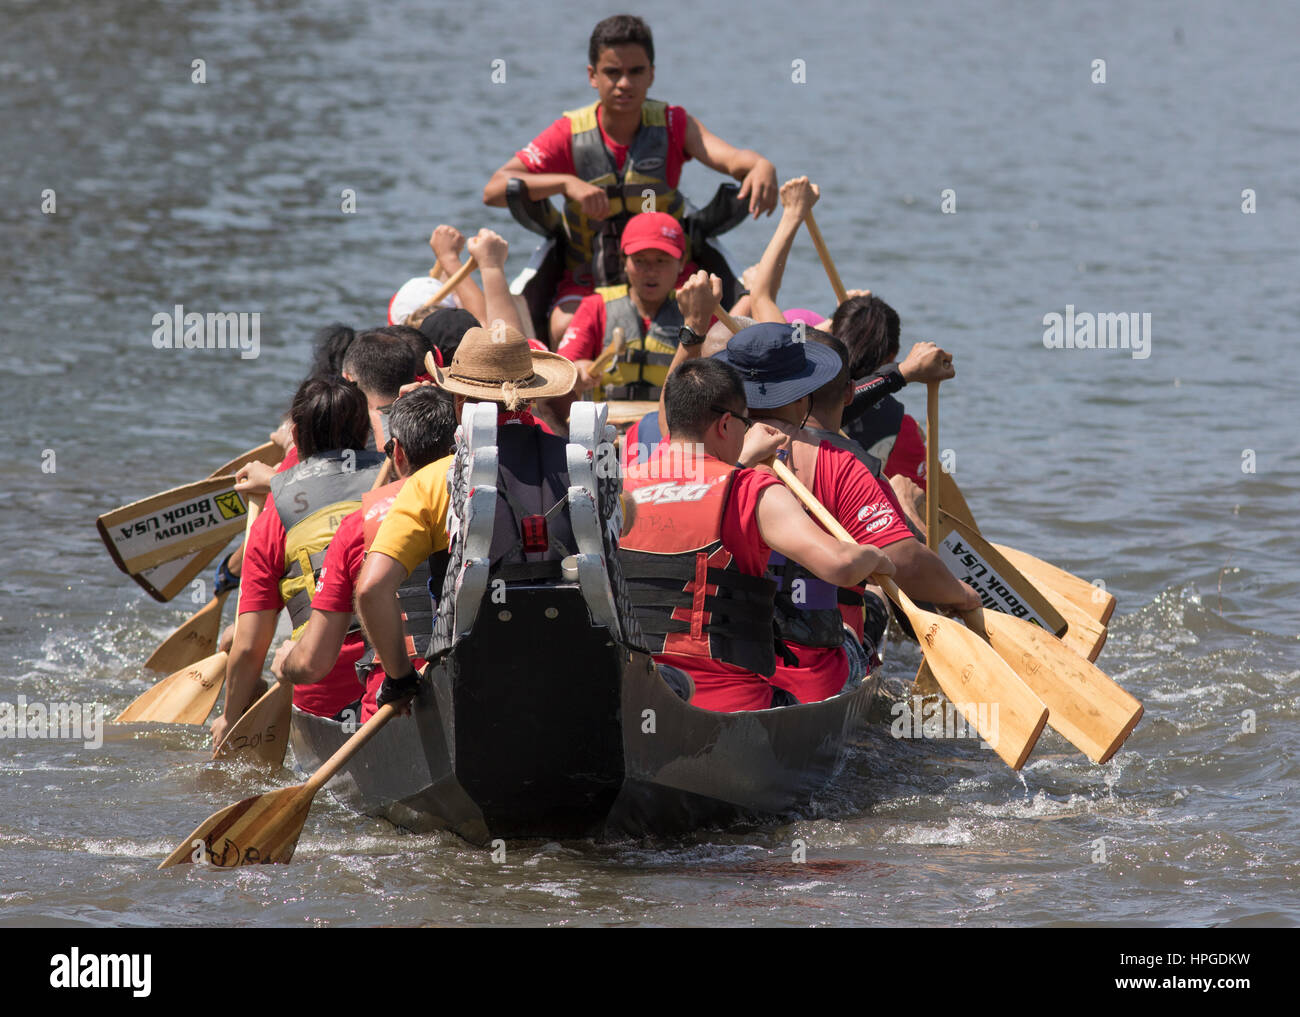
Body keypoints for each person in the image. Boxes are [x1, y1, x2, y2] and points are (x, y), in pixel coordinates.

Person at [709, 323, 981, 704]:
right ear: (802, 396)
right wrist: (962, 595)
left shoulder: (700, 453)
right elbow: (904, 559)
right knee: (874, 592)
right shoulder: (838, 462)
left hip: (713, 668)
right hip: (809, 673)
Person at [618, 357, 894, 712]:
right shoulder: (752, 489)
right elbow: (839, 566)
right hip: (733, 705)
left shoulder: (620, 486)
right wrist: (875, 556)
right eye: (745, 424)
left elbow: (693, 494)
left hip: (641, 697)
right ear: (725, 424)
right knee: (862, 625)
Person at [482, 14, 777, 346]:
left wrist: (762, 165)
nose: (624, 83)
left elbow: (737, 161)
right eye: (613, 72)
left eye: (636, 72)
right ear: (593, 76)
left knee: (716, 336)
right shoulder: (568, 133)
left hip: (667, 276)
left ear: (651, 74)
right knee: (563, 327)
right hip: (588, 278)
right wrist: (566, 183)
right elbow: (494, 189)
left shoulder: (674, 123)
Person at [355, 325, 581, 709]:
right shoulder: (584, 466)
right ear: (529, 398)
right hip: (574, 672)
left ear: (459, 402)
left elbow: (371, 590)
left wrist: (400, 678)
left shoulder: (433, 481)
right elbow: (623, 525)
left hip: (474, 683)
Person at [210, 376, 386, 752]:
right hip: (395, 671)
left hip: (320, 687)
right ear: (365, 430)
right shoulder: (396, 483)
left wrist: (230, 719)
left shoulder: (275, 514)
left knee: (247, 654)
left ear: (297, 435)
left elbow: (249, 646)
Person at [271, 387, 457, 722]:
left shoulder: (357, 527)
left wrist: (287, 663)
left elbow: (314, 663)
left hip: (395, 711)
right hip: (471, 694)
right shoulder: (489, 508)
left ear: (397, 454)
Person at [557, 212, 715, 399]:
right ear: (624, 261)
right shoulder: (595, 306)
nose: (650, 271)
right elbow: (562, 369)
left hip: (671, 424)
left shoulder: (697, 313)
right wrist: (577, 369)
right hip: (608, 422)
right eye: (639, 260)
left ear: (681, 262)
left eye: (661, 260)